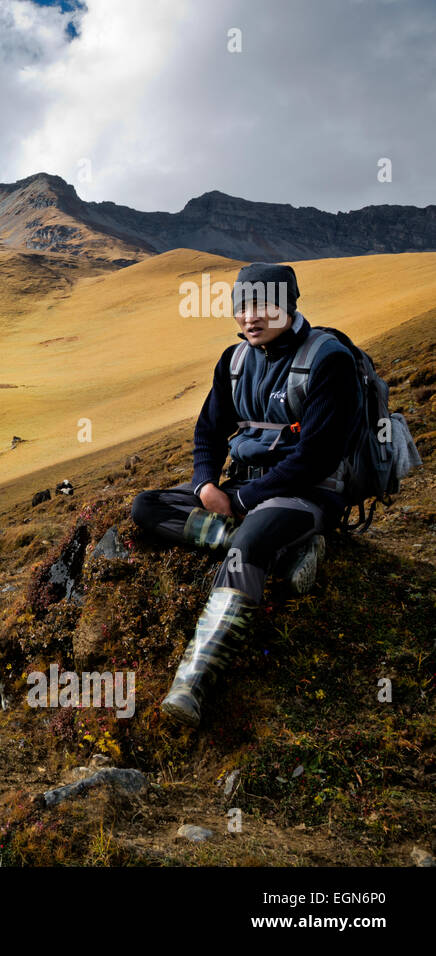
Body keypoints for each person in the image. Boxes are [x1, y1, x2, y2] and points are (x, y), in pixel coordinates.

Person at [130, 262, 363, 728]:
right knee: (146, 507)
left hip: (307, 493)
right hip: (242, 487)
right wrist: (205, 485)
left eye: (261, 307)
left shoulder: (328, 360)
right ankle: (282, 553)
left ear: (288, 306)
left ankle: (191, 684)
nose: (249, 318)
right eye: (240, 308)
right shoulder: (234, 361)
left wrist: (240, 503)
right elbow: (208, 433)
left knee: (247, 542)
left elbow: (316, 458)